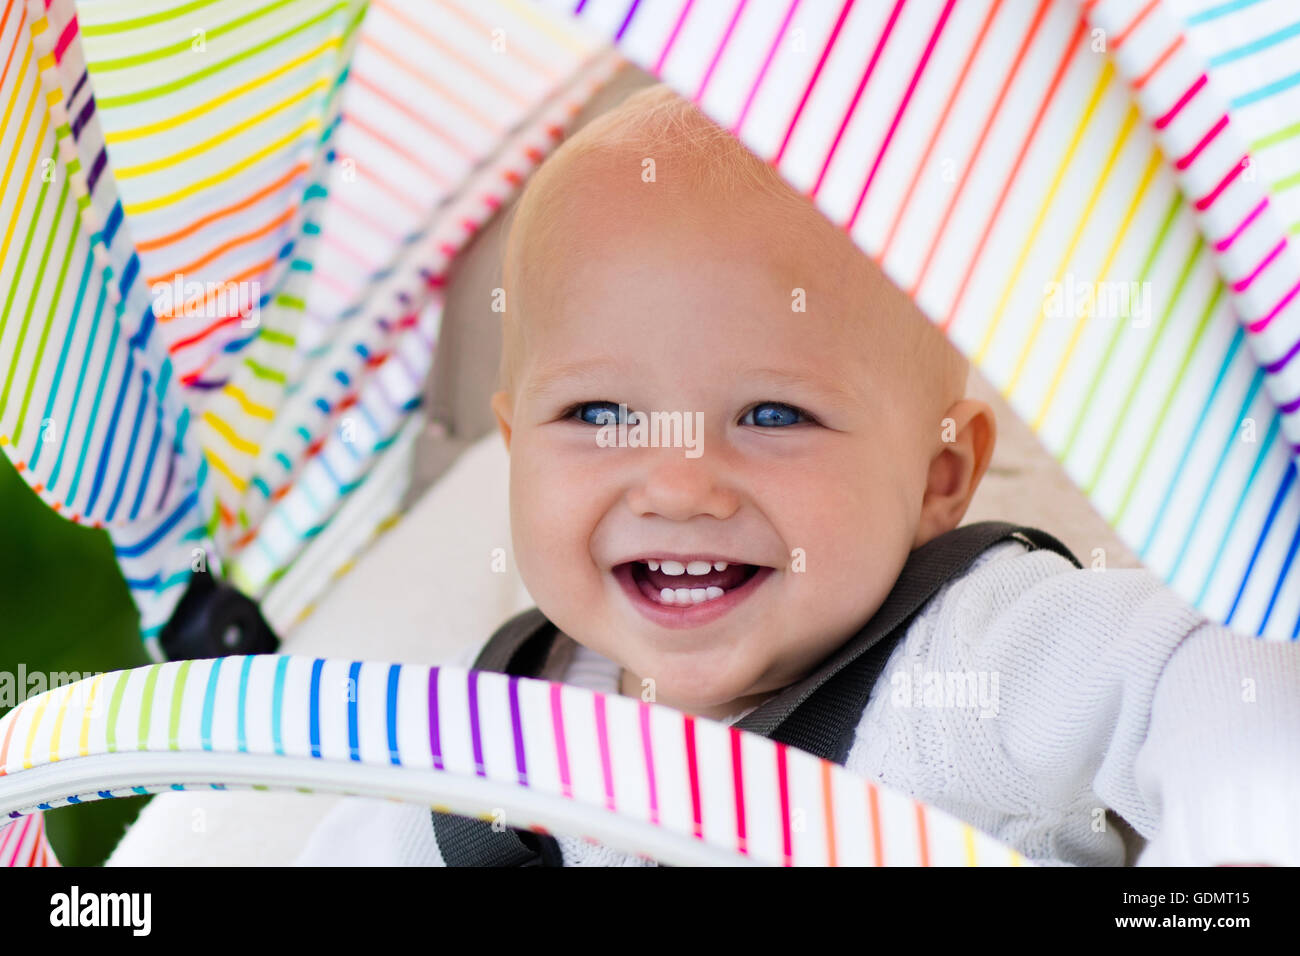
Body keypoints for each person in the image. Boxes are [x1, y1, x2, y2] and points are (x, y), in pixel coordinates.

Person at [295, 83, 1300, 867]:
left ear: (940, 474)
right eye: (597, 414)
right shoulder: (479, 739)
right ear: (514, 450)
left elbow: (1220, 671)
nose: (679, 487)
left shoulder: (966, 658)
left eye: (773, 414)